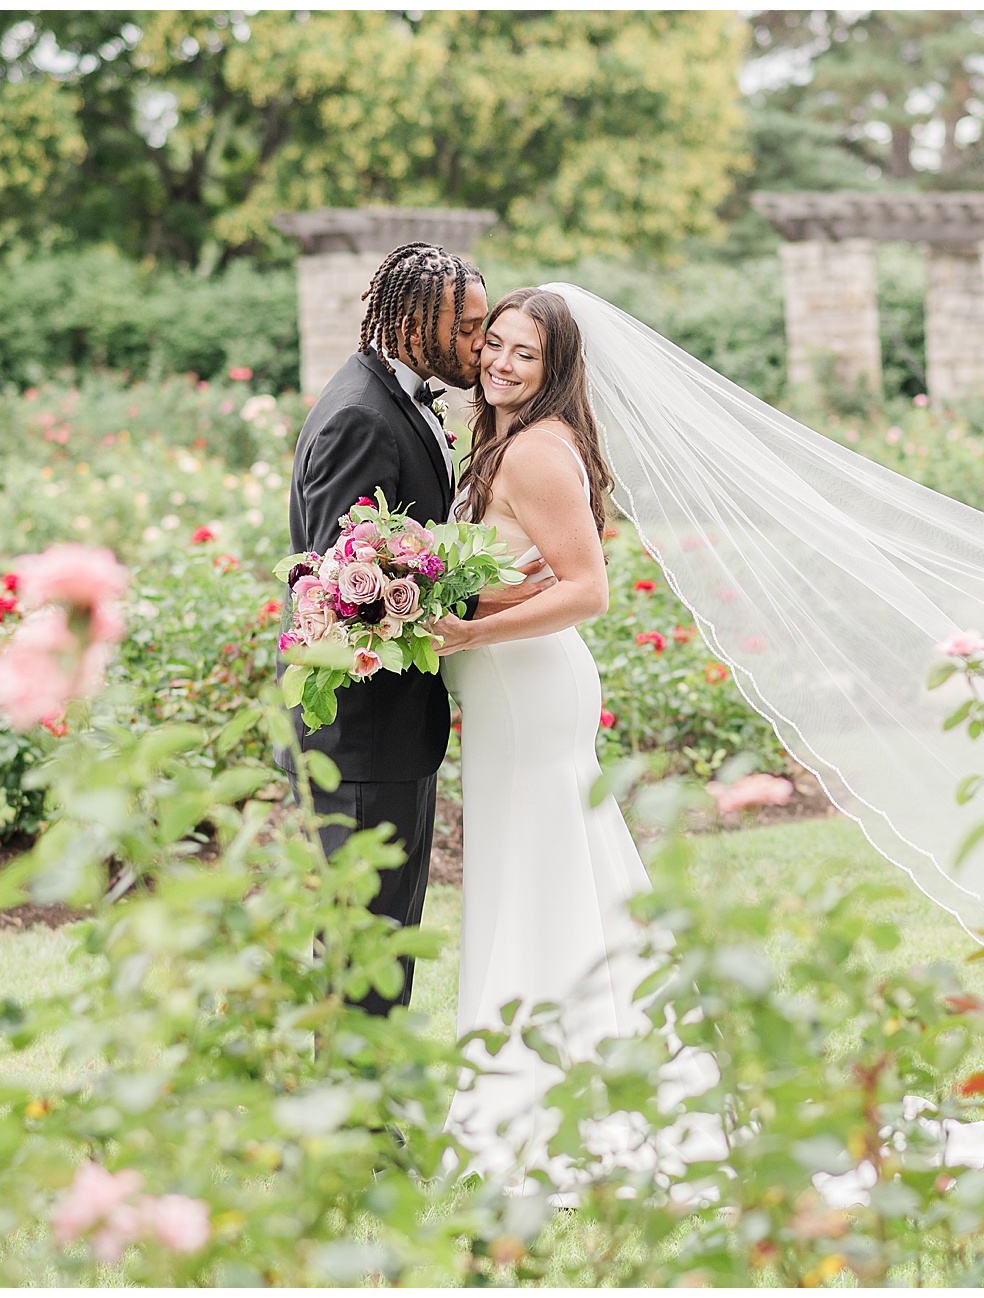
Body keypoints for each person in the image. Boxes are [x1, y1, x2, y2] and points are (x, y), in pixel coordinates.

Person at [280, 242, 546, 1016]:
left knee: (385, 938)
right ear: (411, 322)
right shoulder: (361, 416)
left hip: (394, 726)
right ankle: (354, 1129)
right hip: (360, 732)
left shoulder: (400, 397)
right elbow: (338, 589)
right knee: (365, 943)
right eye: (468, 328)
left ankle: (371, 1117)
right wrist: (483, 603)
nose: (480, 344)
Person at [425, 289, 654, 1177]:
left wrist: (476, 631)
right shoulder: (516, 442)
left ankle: (532, 1098)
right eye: (494, 345)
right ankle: (557, 1072)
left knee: (538, 866)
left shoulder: (532, 451)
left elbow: (588, 589)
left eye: (525, 353)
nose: (499, 362)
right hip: (509, 692)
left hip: (526, 690)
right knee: (543, 864)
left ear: (556, 368)